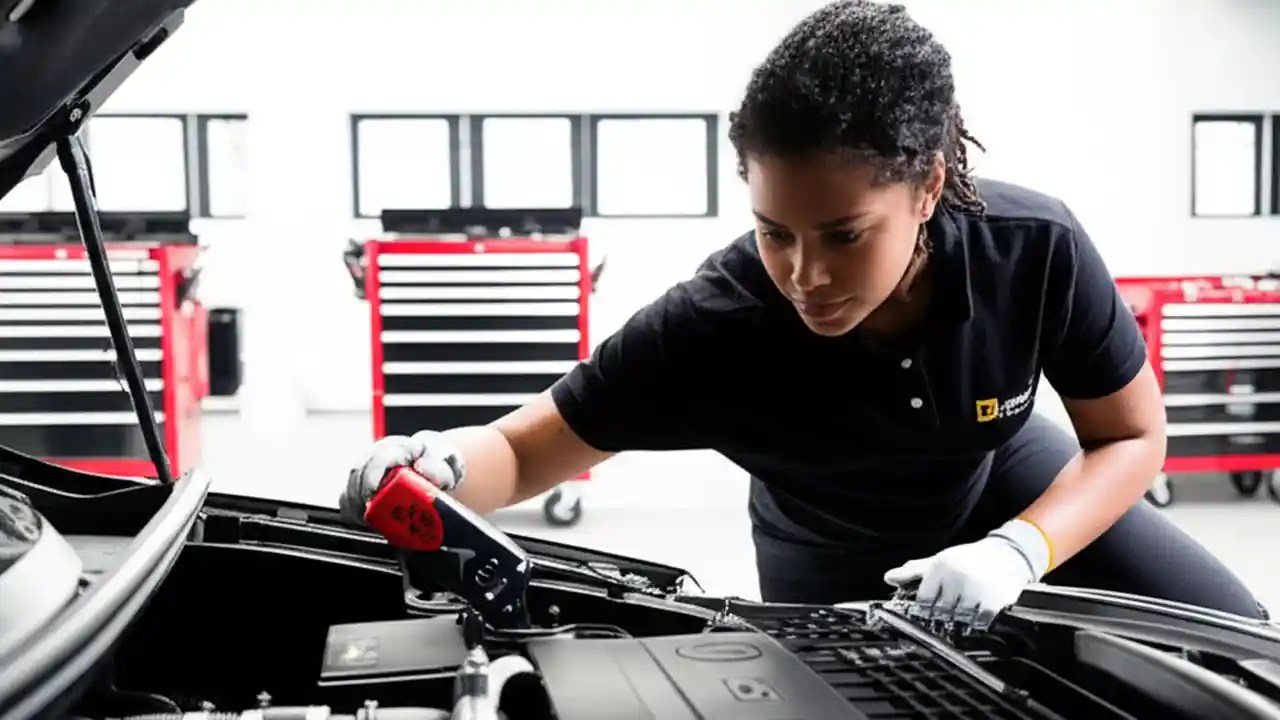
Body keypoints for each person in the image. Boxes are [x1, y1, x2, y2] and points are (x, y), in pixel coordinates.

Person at [341, 0, 1265, 625]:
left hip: (1004, 486)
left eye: (844, 234)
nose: (804, 274)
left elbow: (1133, 438)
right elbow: (532, 447)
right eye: (773, 231)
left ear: (928, 187)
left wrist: (1021, 551)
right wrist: (442, 464)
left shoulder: (1035, 247)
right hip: (827, 541)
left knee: (1237, 643)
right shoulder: (717, 323)